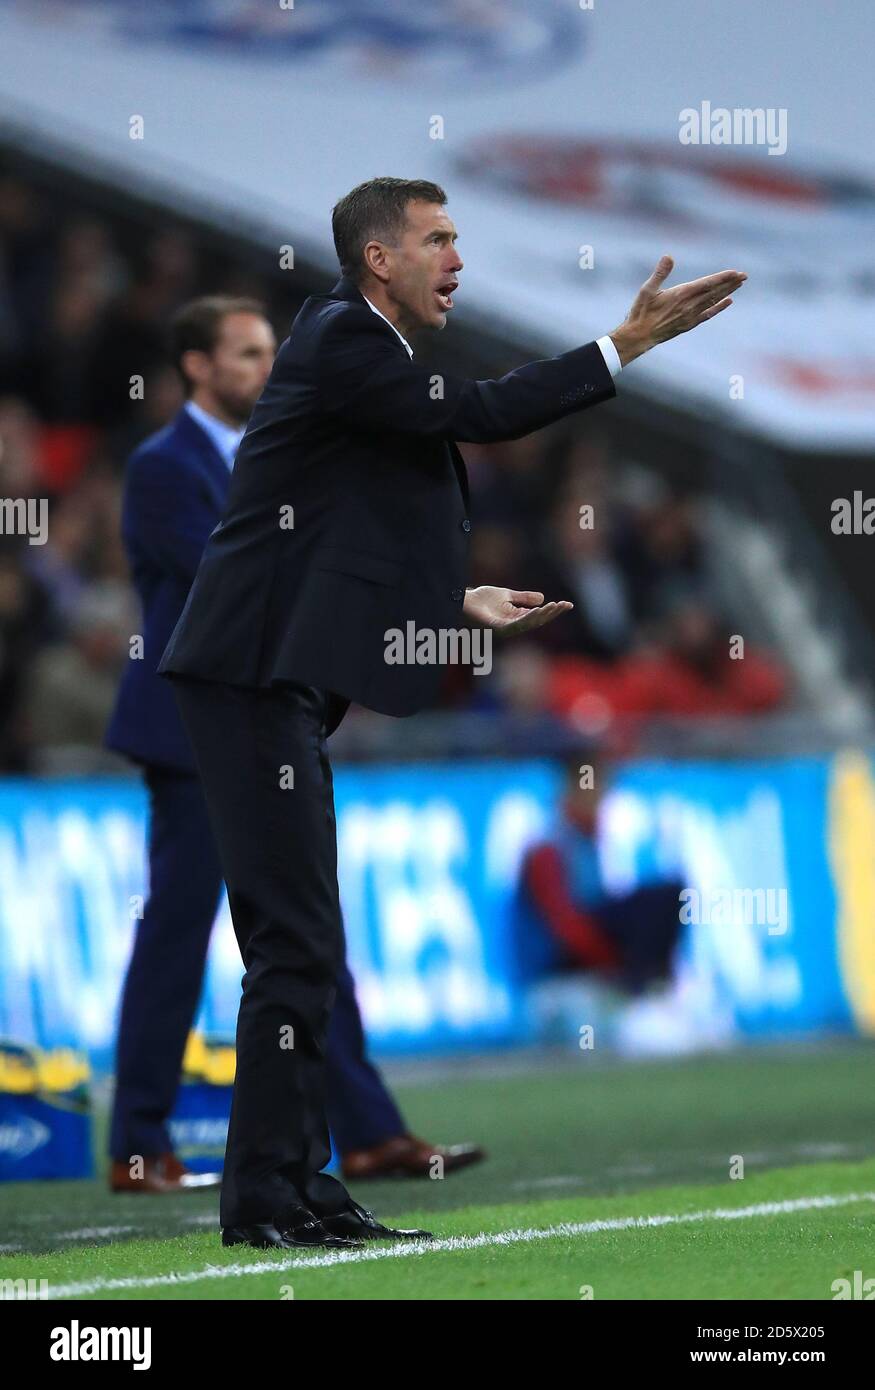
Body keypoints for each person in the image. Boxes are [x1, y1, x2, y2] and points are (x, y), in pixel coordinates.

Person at [159, 176, 746, 1250]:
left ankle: (294, 1183)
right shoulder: (344, 336)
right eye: (438, 240)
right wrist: (622, 345)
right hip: (246, 679)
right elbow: (478, 415)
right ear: (379, 258)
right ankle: (265, 1199)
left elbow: (343, 526)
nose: (456, 259)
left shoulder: (358, 356)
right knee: (293, 948)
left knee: (301, 947)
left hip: (269, 680)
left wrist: (452, 600)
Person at [106, 295, 482, 1199]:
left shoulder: (275, 457)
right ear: (195, 366)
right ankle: (137, 1144)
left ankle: (367, 1134)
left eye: (270, 352)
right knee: (182, 929)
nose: (264, 368)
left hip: (270, 717)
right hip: (193, 729)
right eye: (243, 354)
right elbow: (233, 585)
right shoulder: (163, 469)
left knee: (306, 935)